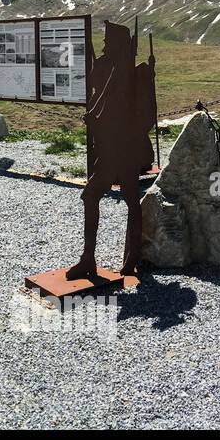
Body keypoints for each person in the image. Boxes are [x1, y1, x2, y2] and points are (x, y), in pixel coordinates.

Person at [66, 21, 156, 280]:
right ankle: (89, 259)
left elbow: (145, 117)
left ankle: (130, 259)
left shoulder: (136, 74)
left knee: (127, 198)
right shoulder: (108, 68)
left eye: (108, 42)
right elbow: (97, 90)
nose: (104, 46)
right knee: (94, 196)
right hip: (109, 148)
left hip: (125, 149)